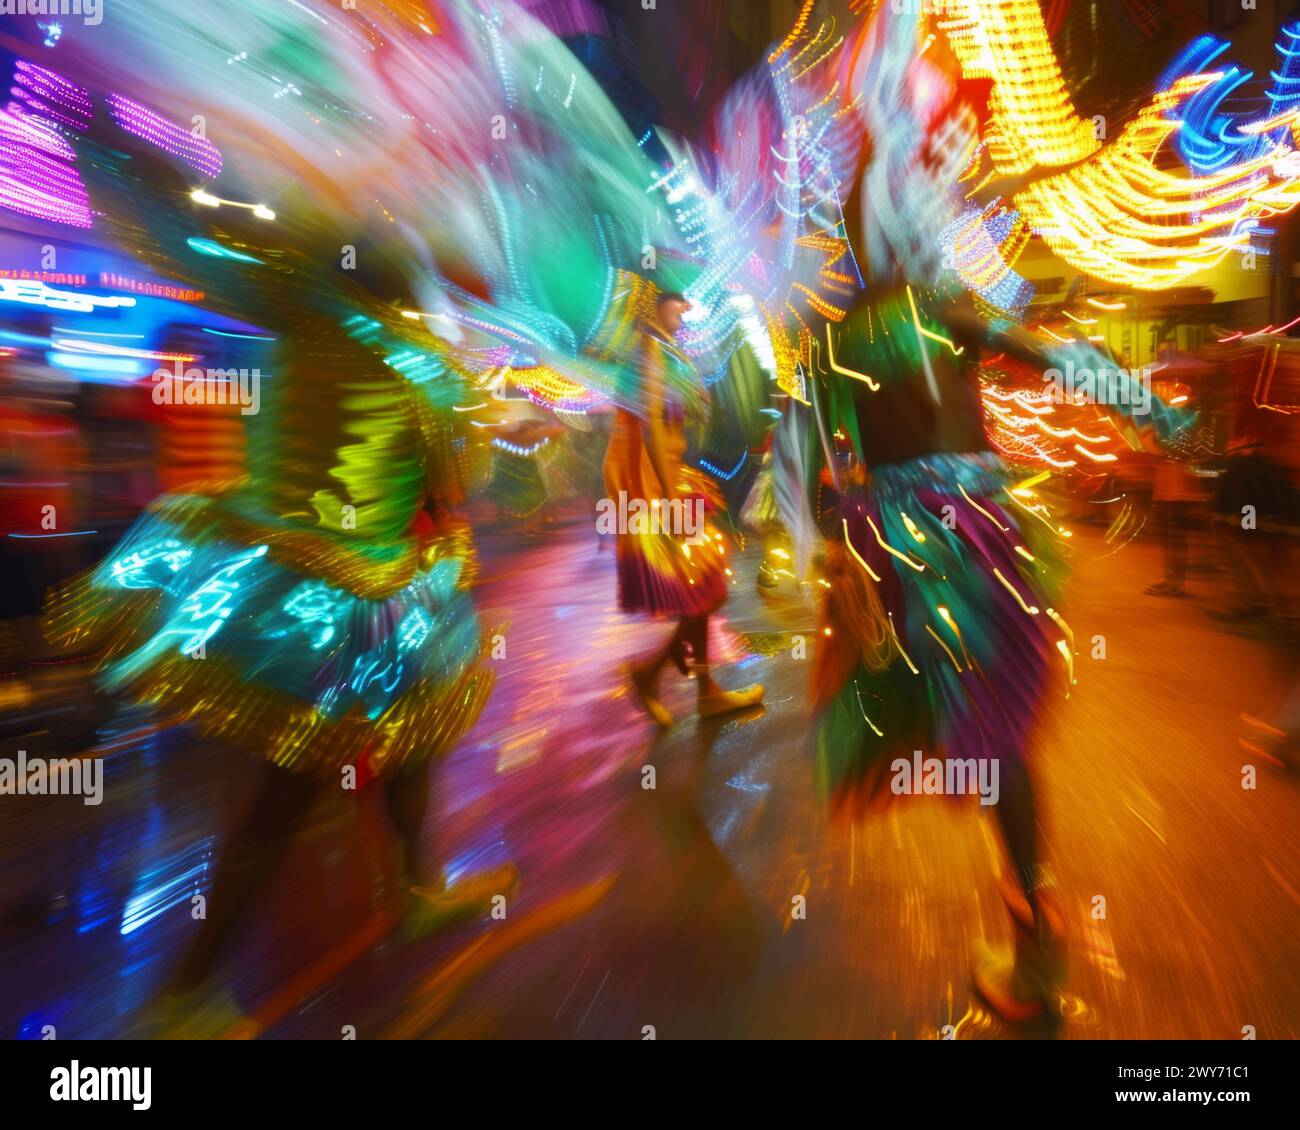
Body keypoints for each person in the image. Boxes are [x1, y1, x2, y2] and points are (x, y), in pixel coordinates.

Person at [41, 122, 514, 1036]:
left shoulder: (295, 316)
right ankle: (188, 997)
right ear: (408, 288)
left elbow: (189, 234)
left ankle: (417, 888)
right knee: (287, 793)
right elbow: (458, 490)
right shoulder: (431, 370)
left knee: (404, 748)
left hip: (268, 583)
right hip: (358, 604)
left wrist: (102, 141)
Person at [602, 284, 764, 727]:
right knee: (702, 588)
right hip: (654, 489)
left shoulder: (664, 350)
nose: (687, 307)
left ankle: (682, 684)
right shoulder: (648, 350)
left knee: (703, 587)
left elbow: (679, 414)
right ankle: (665, 679)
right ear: (654, 305)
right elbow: (652, 423)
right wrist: (671, 498)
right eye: (678, 299)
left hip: (667, 481)